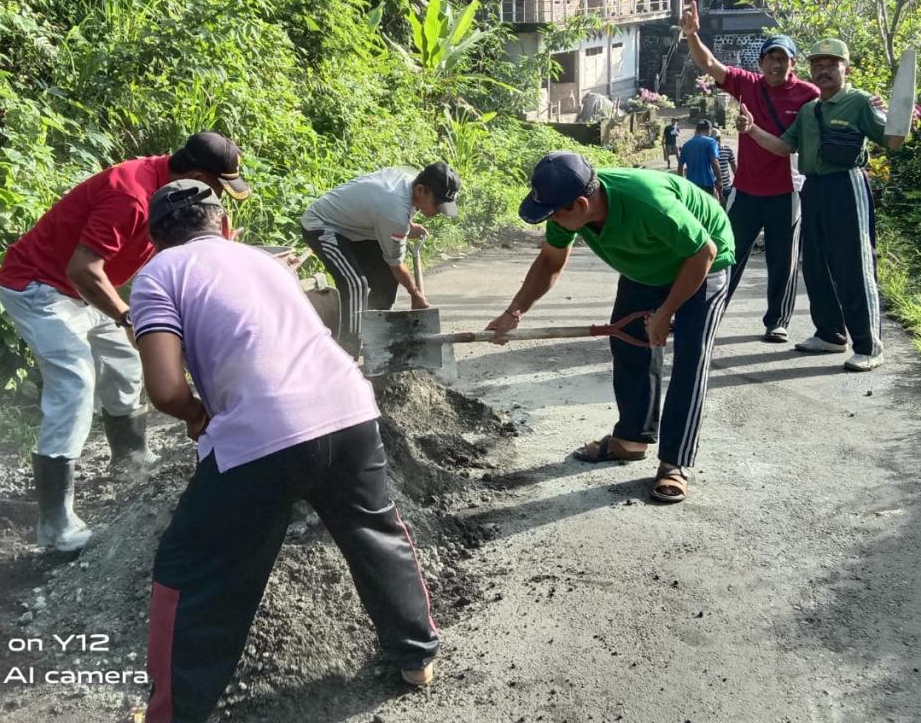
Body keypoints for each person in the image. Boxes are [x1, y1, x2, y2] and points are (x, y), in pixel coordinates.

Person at [131, 180, 439, 723]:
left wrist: (198, 416)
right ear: (224, 225)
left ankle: (174, 712)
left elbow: (166, 390)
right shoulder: (264, 262)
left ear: (155, 239)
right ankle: (417, 658)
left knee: (191, 566)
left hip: (260, 437)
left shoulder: (157, 275)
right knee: (375, 531)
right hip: (348, 410)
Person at [0, 132, 251, 552]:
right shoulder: (130, 196)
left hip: (85, 291)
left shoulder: (170, 187)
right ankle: (55, 523)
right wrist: (128, 317)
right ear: (197, 174)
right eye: (217, 186)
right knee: (75, 384)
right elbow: (83, 269)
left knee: (125, 365)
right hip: (40, 286)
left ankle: (130, 459)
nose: (217, 197)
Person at [486, 153, 735, 503]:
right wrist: (514, 311)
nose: (551, 220)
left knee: (691, 359)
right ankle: (631, 439)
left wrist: (665, 312)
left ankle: (674, 463)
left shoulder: (649, 203)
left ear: (581, 204)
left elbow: (703, 252)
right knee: (630, 344)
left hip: (702, 261)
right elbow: (551, 260)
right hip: (647, 265)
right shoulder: (566, 208)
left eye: (554, 213)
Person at [739, 38, 905, 372]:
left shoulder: (859, 102)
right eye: (818, 64)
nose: (824, 70)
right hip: (812, 187)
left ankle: (869, 346)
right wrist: (752, 129)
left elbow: (892, 140)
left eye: (832, 64)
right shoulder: (809, 109)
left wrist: (901, 112)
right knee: (815, 265)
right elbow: (784, 147)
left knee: (854, 265)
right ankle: (830, 334)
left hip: (846, 186)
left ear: (846, 69)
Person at [683, 1, 818, 344]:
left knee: (782, 261)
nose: (776, 63)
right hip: (745, 190)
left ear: (793, 63)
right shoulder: (748, 84)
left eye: (783, 58)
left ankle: (777, 322)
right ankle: (708, 312)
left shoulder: (808, 95)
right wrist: (692, 35)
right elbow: (709, 64)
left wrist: (871, 104)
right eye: (771, 57)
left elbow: (834, 104)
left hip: (786, 191)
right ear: (760, 63)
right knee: (725, 253)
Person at [300, 163, 460, 356]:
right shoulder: (394, 214)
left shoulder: (408, 181)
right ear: (420, 189)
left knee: (386, 277)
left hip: (353, 228)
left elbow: (382, 208)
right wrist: (415, 294)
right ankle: (347, 353)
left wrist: (408, 226)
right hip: (322, 226)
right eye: (438, 205)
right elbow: (396, 263)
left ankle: (373, 335)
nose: (439, 212)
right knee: (355, 283)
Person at [678, 119, 723, 201]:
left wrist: (681, 183)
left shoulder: (686, 145)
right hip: (706, 183)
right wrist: (719, 180)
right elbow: (714, 162)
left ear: (697, 129)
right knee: (707, 206)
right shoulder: (711, 142)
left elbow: (680, 166)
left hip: (691, 184)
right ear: (709, 130)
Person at [711, 127, 737, 205]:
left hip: (726, 186)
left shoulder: (727, 150)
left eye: (717, 138)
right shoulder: (708, 151)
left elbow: (734, 167)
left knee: (727, 207)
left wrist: (736, 182)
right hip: (712, 187)